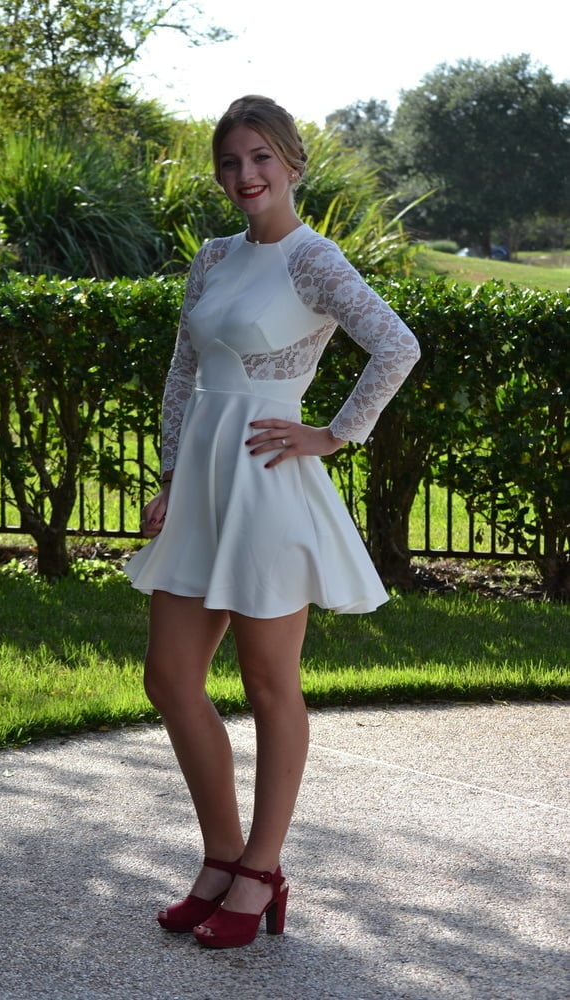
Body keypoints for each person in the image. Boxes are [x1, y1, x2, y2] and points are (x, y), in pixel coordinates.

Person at [125, 95, 420, 950]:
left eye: (259, 157)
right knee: (169, 678)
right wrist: (172, 476)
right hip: (202, 488)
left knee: (267, 682)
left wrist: (333, 434)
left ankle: (261, 870)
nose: (244, 175)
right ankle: (221, 858)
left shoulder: (313, 259)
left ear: (291, 163)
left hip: (266, 485)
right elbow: (182, 370)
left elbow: (395, 345)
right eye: (229, 162)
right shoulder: (213, 256)